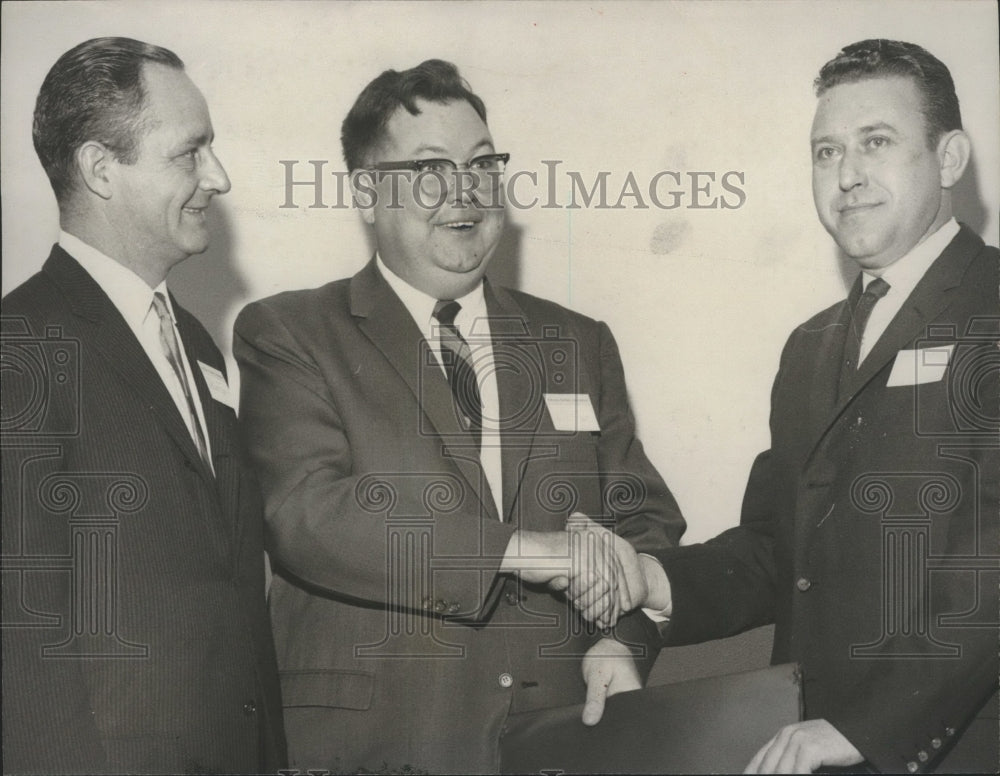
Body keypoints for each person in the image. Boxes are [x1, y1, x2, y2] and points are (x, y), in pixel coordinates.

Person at [233, 59, 685, 774]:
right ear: (365, 192)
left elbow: (643, 521)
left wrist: (623, 639)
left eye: (482, 164)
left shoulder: (578, 341)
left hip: (560, 739)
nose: (465, 191)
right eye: (429, 169)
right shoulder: (290, 332)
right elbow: (310, 517)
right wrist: (527, 550)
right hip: (375, 747)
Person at [627, 39, 998, 774]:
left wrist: (869, 727)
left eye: (876, 143)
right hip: (803, 746)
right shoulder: (811, 345)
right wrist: (652, 580)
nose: (848, 176)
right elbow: (776, 549)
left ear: (950, 158)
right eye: (826, 152)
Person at [0, 37, 285, 774]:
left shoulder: (196, 343)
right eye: (190, 152)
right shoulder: (21, 344)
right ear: (101, 169)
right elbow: (20, 632)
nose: (217, 178)